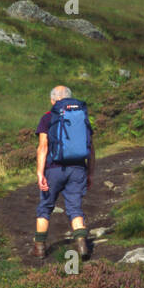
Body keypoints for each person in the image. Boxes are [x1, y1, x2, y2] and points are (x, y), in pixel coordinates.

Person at [34, 85, 94, 260]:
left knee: (45, 207)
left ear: (52, 100)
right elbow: (91, 148)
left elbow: (43, 147)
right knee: (75, 208)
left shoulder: (47, 117)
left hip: (54, 169)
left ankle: (39, 249)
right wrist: (89, 173)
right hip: (78, 169)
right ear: (69, 98)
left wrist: (40, 173)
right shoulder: (81, 115)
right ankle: (82, 246)